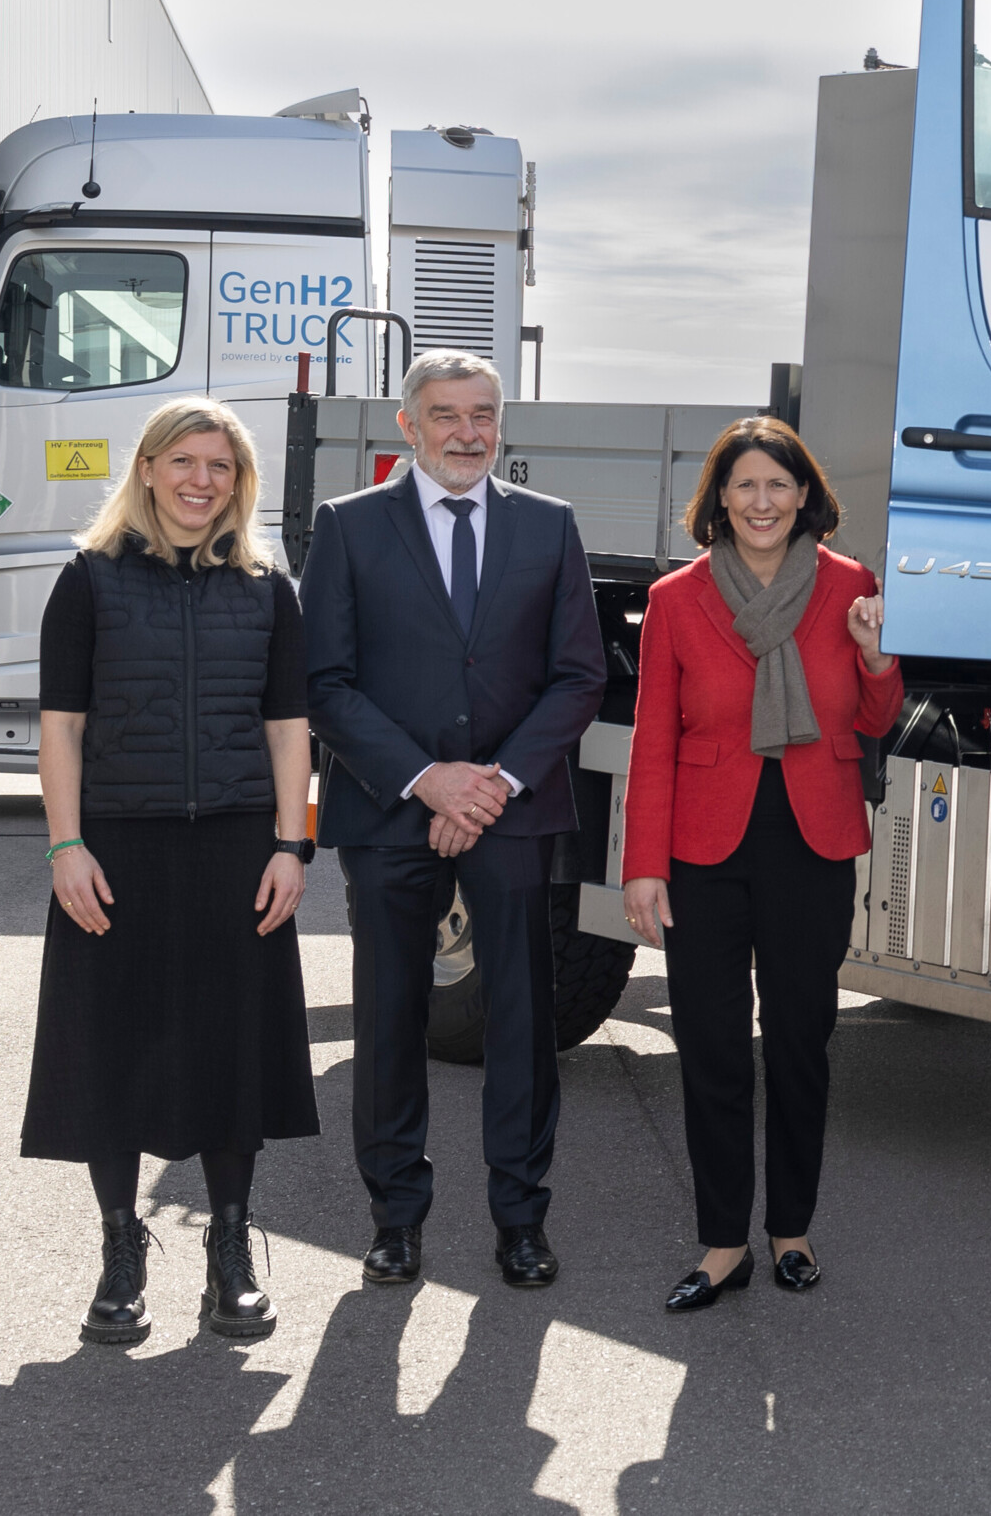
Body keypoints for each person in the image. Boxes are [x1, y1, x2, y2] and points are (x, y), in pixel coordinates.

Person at [301, 350, 606, 1292]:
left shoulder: (550, 525)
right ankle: (395, 1219)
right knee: (390, 1021)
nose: (467, 432)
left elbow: (579, 676)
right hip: (388, 811)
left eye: (483, 414)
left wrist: (493, 784)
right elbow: (324, 682)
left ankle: (521, 1218)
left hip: (511, 813)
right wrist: (428, 780)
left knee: (521, 1022)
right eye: (446, 414)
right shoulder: (349, 525)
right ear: (408, 424)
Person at [22, 397, 320, 1346]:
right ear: (146, 469)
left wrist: (292, 845)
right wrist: (66, 846)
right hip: (117, 849)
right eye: (184, 461)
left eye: (220, 466)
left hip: (238, 850)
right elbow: (62, 728)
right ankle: (122, 1250)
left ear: (240, 483)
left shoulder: (268, 588)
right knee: (112, 1048)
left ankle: (230, 1252)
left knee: (232, 1051)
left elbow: (290, 729)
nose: (201, 481)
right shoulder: (88, 579)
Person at [618, 418, 905, 1312]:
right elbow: (653, 740)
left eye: (778, 484)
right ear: (720, 497)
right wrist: (642, 863)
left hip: (811, 843)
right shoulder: (677, 598)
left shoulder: (851, 586)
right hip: (702, 847)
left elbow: (873, 719)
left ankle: (791, 1231)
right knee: (711, 1047)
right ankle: (722, 1243)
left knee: (798, 1043)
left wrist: (875, 656)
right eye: (744, 484)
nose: (762, 501)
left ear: (804, 493)